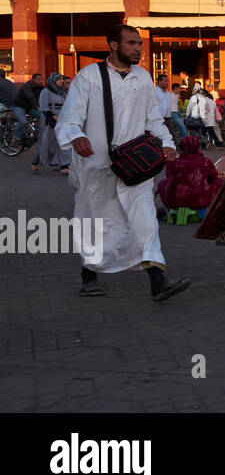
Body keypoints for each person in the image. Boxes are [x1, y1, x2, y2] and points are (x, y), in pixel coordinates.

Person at [56, 24, 188, 300]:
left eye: (139, 43)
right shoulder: (89, 77)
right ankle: (88, 274)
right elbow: (70, 115)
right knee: (94, 219)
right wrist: (76, 136)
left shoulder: (142, 78)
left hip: (135, 165)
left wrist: (166, 143)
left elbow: (153, 118)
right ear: (113, 45)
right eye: (131, 43)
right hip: (96, 165)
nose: (138, 49)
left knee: (145, 218)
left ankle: (157, 280)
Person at [157, 135, 222, 211]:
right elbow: (214, 176)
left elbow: (169, 178)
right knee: (218, 181)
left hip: (175, 202)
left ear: (181, 148)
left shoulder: (173, 163)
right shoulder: (205, 162)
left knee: (162, 183)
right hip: (201, 201)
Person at [35, 72, 72, 174]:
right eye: (59, 80)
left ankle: (64, 165)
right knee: (47, 142)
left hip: (62, 119)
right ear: (53, 81)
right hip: (50, 119)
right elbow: (44, 106)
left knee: (63, 141)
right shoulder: (45, 92)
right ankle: (36, 161)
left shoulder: (63, 92)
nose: (61, 81)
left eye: (61, 79)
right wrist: (52, 116)